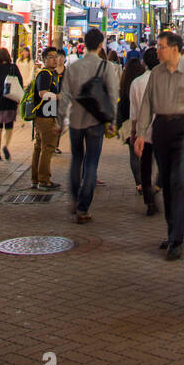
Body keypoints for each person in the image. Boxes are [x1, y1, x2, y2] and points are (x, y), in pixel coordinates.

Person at [134, 30, 184, 259]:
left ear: (174, 48)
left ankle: (176, 240)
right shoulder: (156, 73)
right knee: (166, 180)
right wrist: (141, 134)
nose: (158, 50)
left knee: (178, 182)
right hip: (162, 129)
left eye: (161, 46)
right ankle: (171, 230)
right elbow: (147, 103)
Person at [59, 27, 121, 222]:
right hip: (96, 121)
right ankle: (84, 208)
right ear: (101, 45)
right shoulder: (106, 67)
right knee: (92, 162)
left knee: (76, 159)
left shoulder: (74, 67)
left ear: (84, 44)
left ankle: (76, 199)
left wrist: (60, 120)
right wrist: (113, 121)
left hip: (76, 120)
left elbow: (64, 96)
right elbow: (113, 95)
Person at [130, 47, 159, 213]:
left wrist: (133, 132)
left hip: (143, 131)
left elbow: (134, 112)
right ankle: (160, 188)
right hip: (163, 129)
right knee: (165, 164)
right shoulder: (166, 79)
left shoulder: (137, 82)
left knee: (145, 167)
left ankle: (149, 201)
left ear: (144, 62)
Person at [30, 47, 62, 190]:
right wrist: (60, 97)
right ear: (43, 59)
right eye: (51, 57)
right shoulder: (45, 74)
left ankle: (36, 179)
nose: (55, 59)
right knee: (48, 147)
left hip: (43, 115)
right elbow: (43, 93)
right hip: (45, 115)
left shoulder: (51, 74)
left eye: (56, 56)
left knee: (39, 147)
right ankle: (44, 180)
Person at [118, 52, 148, 195]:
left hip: (128, 122)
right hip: (144, 121)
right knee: (147, 153)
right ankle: (146, 181)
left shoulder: (126, 83)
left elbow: (123, 103)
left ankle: (139, 183)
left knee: (133, 154)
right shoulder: (143, 81)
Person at [0, 46, 23, 161]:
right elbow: (20, 82)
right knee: (9, 127)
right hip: (10, 100)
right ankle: (6, 146)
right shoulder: (13, 68)